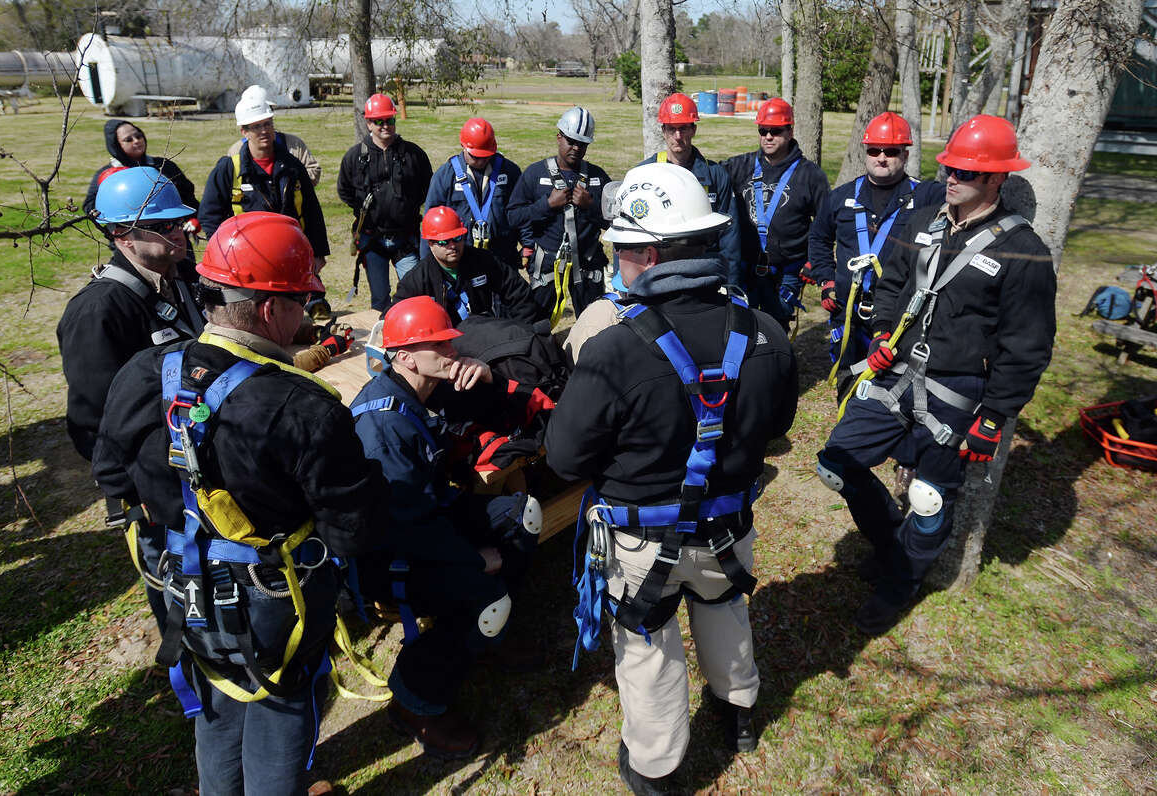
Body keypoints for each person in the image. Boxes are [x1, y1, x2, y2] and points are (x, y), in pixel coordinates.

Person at [91, 211, 387, 795]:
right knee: (281, 703)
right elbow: (353, 529)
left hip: (186, 584)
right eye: (302, 299)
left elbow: (109, 471)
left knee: (218, 690)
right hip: (275, 599)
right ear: (273, 310)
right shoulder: (303, 407)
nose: (307, 312)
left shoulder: (148, 371)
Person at [547, 163, 798, 795]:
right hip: (728, 529)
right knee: (723, 609)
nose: (618, 264)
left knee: (648, 647)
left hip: (640, 543)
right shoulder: (765, 334)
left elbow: (565, 459)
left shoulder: (613, 349)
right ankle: (738, 708)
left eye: (622, 251)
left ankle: (655, 767)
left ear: (649, 254)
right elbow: (779, 422)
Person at [815, 114, 1056, 635]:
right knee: (836, 464)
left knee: (929, 497)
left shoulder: (1025, 251)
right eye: (949, 167)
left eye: (967, 172)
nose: (951, 178)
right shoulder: (920, 220)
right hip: (893, 371)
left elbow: (1027, 347)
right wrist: (881, 336)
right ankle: (891, 545)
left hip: (957, 390)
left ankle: (900, 582)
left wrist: (994, 417)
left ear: (995, 180)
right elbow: (891, 285)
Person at [349, 295, 543, 759]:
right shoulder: (382, 425)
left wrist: (483, 368)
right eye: (440, 345)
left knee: (524, 512)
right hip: (392, 551)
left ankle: (485, 635)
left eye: (451, 344)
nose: (452, 353)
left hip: (430, 518)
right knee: (486, 597)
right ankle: (415, 703)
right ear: (405, 356)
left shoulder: (423, 386)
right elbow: (405, 523)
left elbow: (518, 395)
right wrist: (474, 558)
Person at [58, 167, 204, 595]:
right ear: (122, 233)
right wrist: (135, 490)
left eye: (178, 222)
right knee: (180, 589)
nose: (177, 233)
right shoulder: (99, 312)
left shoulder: (184, 278)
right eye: (161, 226)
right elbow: (92, 422)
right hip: (156, 485)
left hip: (200, 462)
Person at [807, 112, 945, 400]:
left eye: (891, 151)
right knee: (847, 378)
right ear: (866, 152)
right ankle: (848, 422)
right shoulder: (842, 197)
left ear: (905, 155)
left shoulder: (925, 197)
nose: (882, 157)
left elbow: (965, 195)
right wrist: (826, 280)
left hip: (896, 317)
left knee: (889, 386)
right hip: (847, 314)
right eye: (874, 150)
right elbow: (819, 239)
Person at [723, 97, 829, 331]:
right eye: (763, 130)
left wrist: (815, 262)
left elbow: (825, 224)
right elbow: (707, 176)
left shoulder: (810, 175)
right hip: (745, 268)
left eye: (776, 131)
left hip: (786, 272)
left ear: (790, 131)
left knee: (777, 327)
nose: (768, 136)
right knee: (741, 327)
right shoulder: (740, 166)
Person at [198, 87, 330, 270]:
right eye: (256, 126)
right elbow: (209, 214)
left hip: (291, 251)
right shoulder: (229, 169)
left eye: (267, 124)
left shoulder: (292, 166)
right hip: (247, 258)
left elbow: (311, 210)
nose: (264, 131)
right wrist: (224, 251)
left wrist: (318, 252)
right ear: (244, 131)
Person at [507, 106, 611, 323]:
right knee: (536, 327)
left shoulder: (598, 177)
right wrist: (546, 205)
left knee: (596, 327)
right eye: (570, 141)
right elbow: (513, 217)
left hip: (588, 267)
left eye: (582, 144)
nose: (575, 148)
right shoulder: (535, 174)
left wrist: (590, 205)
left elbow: (615, 223)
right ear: (558, 137)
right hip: (547, 267)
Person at [632, 92, 742, 286]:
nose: (678, 136)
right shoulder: (645, 173)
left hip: (703, 271)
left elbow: (729, 236)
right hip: (659, 271)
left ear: (694, 129)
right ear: (663, 130)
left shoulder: (715, 175)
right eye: (672, 129)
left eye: (683, 128)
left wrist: (730, 285)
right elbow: (630, 232)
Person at [337, 93, 433, 312]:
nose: (385, 126)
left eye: (389, 120)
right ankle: (384, 339)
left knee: (415, 295)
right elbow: (345, 190)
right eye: (378, 121)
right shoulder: (354, 157)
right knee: (380, 300)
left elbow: (427, 188)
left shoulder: (414, 155)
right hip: (373, 240)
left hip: (406, 239)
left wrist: (406, 207)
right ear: (368, 123)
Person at [392, 206, 543, 327]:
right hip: (447, 347)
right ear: (430, 244)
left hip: (485, 336)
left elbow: (519, 292)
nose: (452, 246)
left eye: (457, 238)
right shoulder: (417, 280)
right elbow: (394, 315)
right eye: (444, 241)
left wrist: (522, 329)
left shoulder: (483, 260)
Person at [420, 117, 526, 267]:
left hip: (502, 258)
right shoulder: (445, 176)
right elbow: (430, 222)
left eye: (486, 156)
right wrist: (427, 264)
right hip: (462, 258)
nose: (482, 161)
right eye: (476, 157)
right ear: (463, 146)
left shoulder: (509, 172)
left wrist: (528, 245)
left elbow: (522, 211)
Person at [82, 120, 199, 229]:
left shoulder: (164, 166)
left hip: (172, 231)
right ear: (116, 145)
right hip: (128, 237)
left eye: (138, 136)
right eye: (128, 140)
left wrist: (194, 218)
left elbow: (187, 196)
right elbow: (90, 205)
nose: (136, 141)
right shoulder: (109, 174)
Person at [225, 85, 322, 186]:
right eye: (256, 125)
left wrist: (289, 182)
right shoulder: (236, 151)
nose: (263, 129)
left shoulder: (293, 144)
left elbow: (314, 171)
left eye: (269, 111)